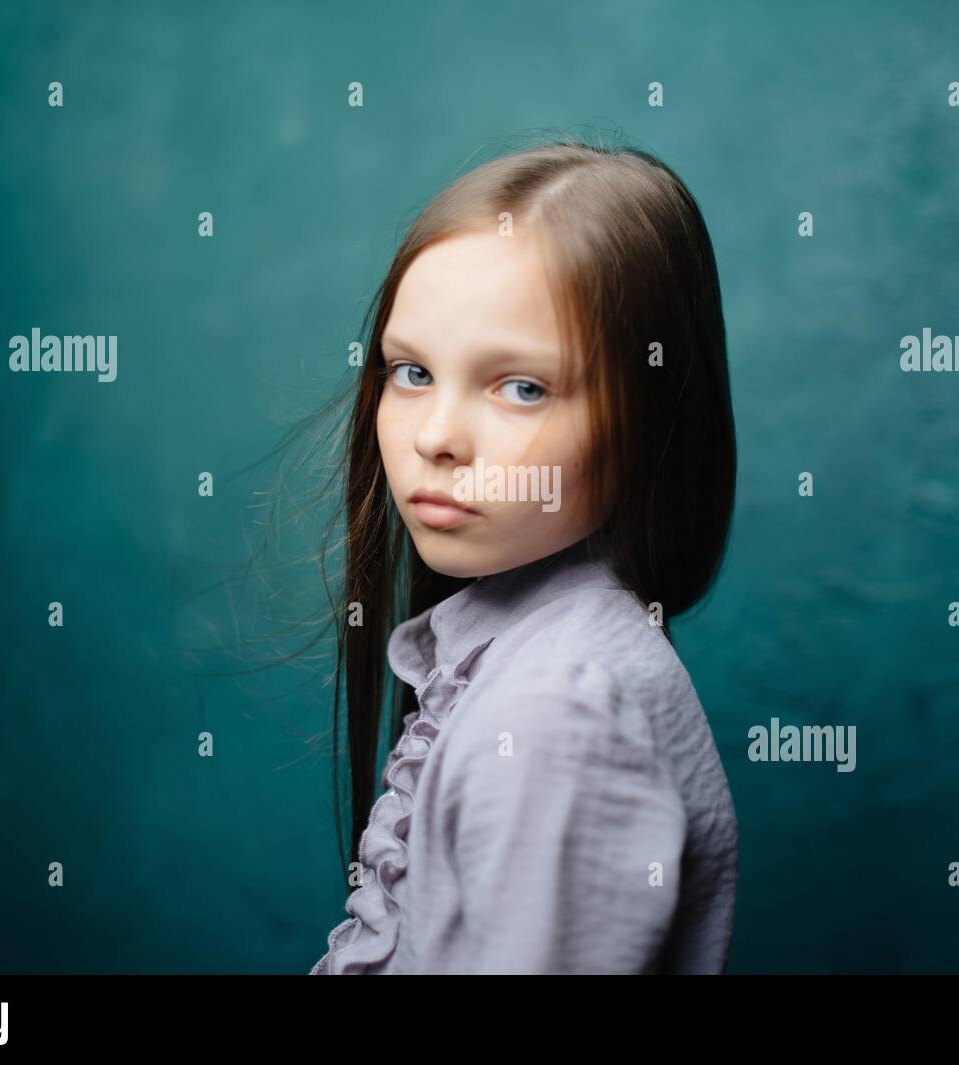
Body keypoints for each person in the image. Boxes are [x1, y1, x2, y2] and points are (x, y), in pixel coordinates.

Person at [308, 136, 739, 974]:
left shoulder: (557, 712)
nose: (435, 437)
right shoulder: (518, 654)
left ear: (650, 421)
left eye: (523, 387)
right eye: (411, 372)